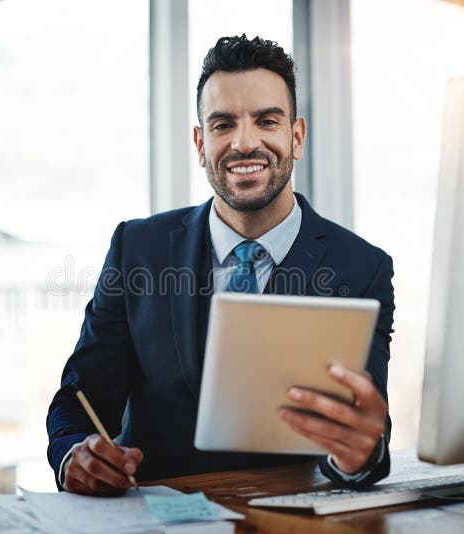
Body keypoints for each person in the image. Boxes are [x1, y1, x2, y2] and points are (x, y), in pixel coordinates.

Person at [47, 34, 395, 495]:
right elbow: (78, 401)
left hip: (291, 521)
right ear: (200, 143)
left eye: (266, 121)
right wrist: (76, 453)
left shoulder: (362, 268)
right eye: (223, 124)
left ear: (296, 137)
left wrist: (359, 455)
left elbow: (366, 432)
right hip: (158, 520)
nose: (244, 143)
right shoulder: (138, 249)